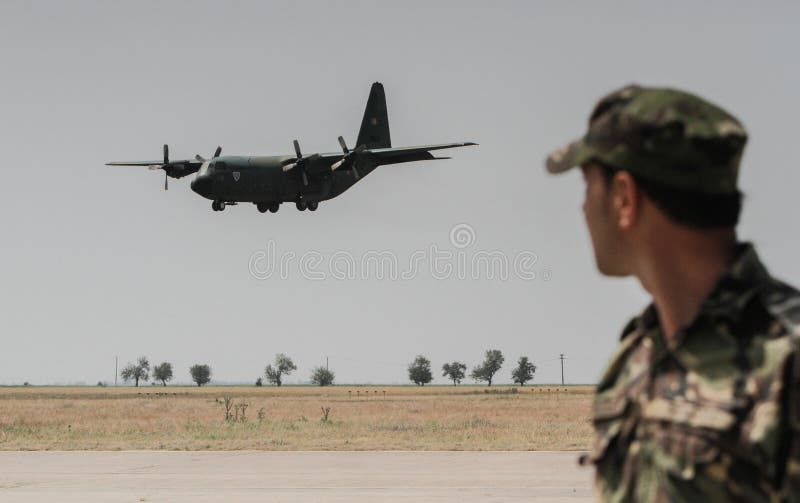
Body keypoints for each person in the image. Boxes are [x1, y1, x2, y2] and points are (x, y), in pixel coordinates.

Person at [545, 84, 800, 501]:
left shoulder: (787, 361)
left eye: (587, 186)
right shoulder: (636, 356)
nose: (582, 209)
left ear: (625, 198)